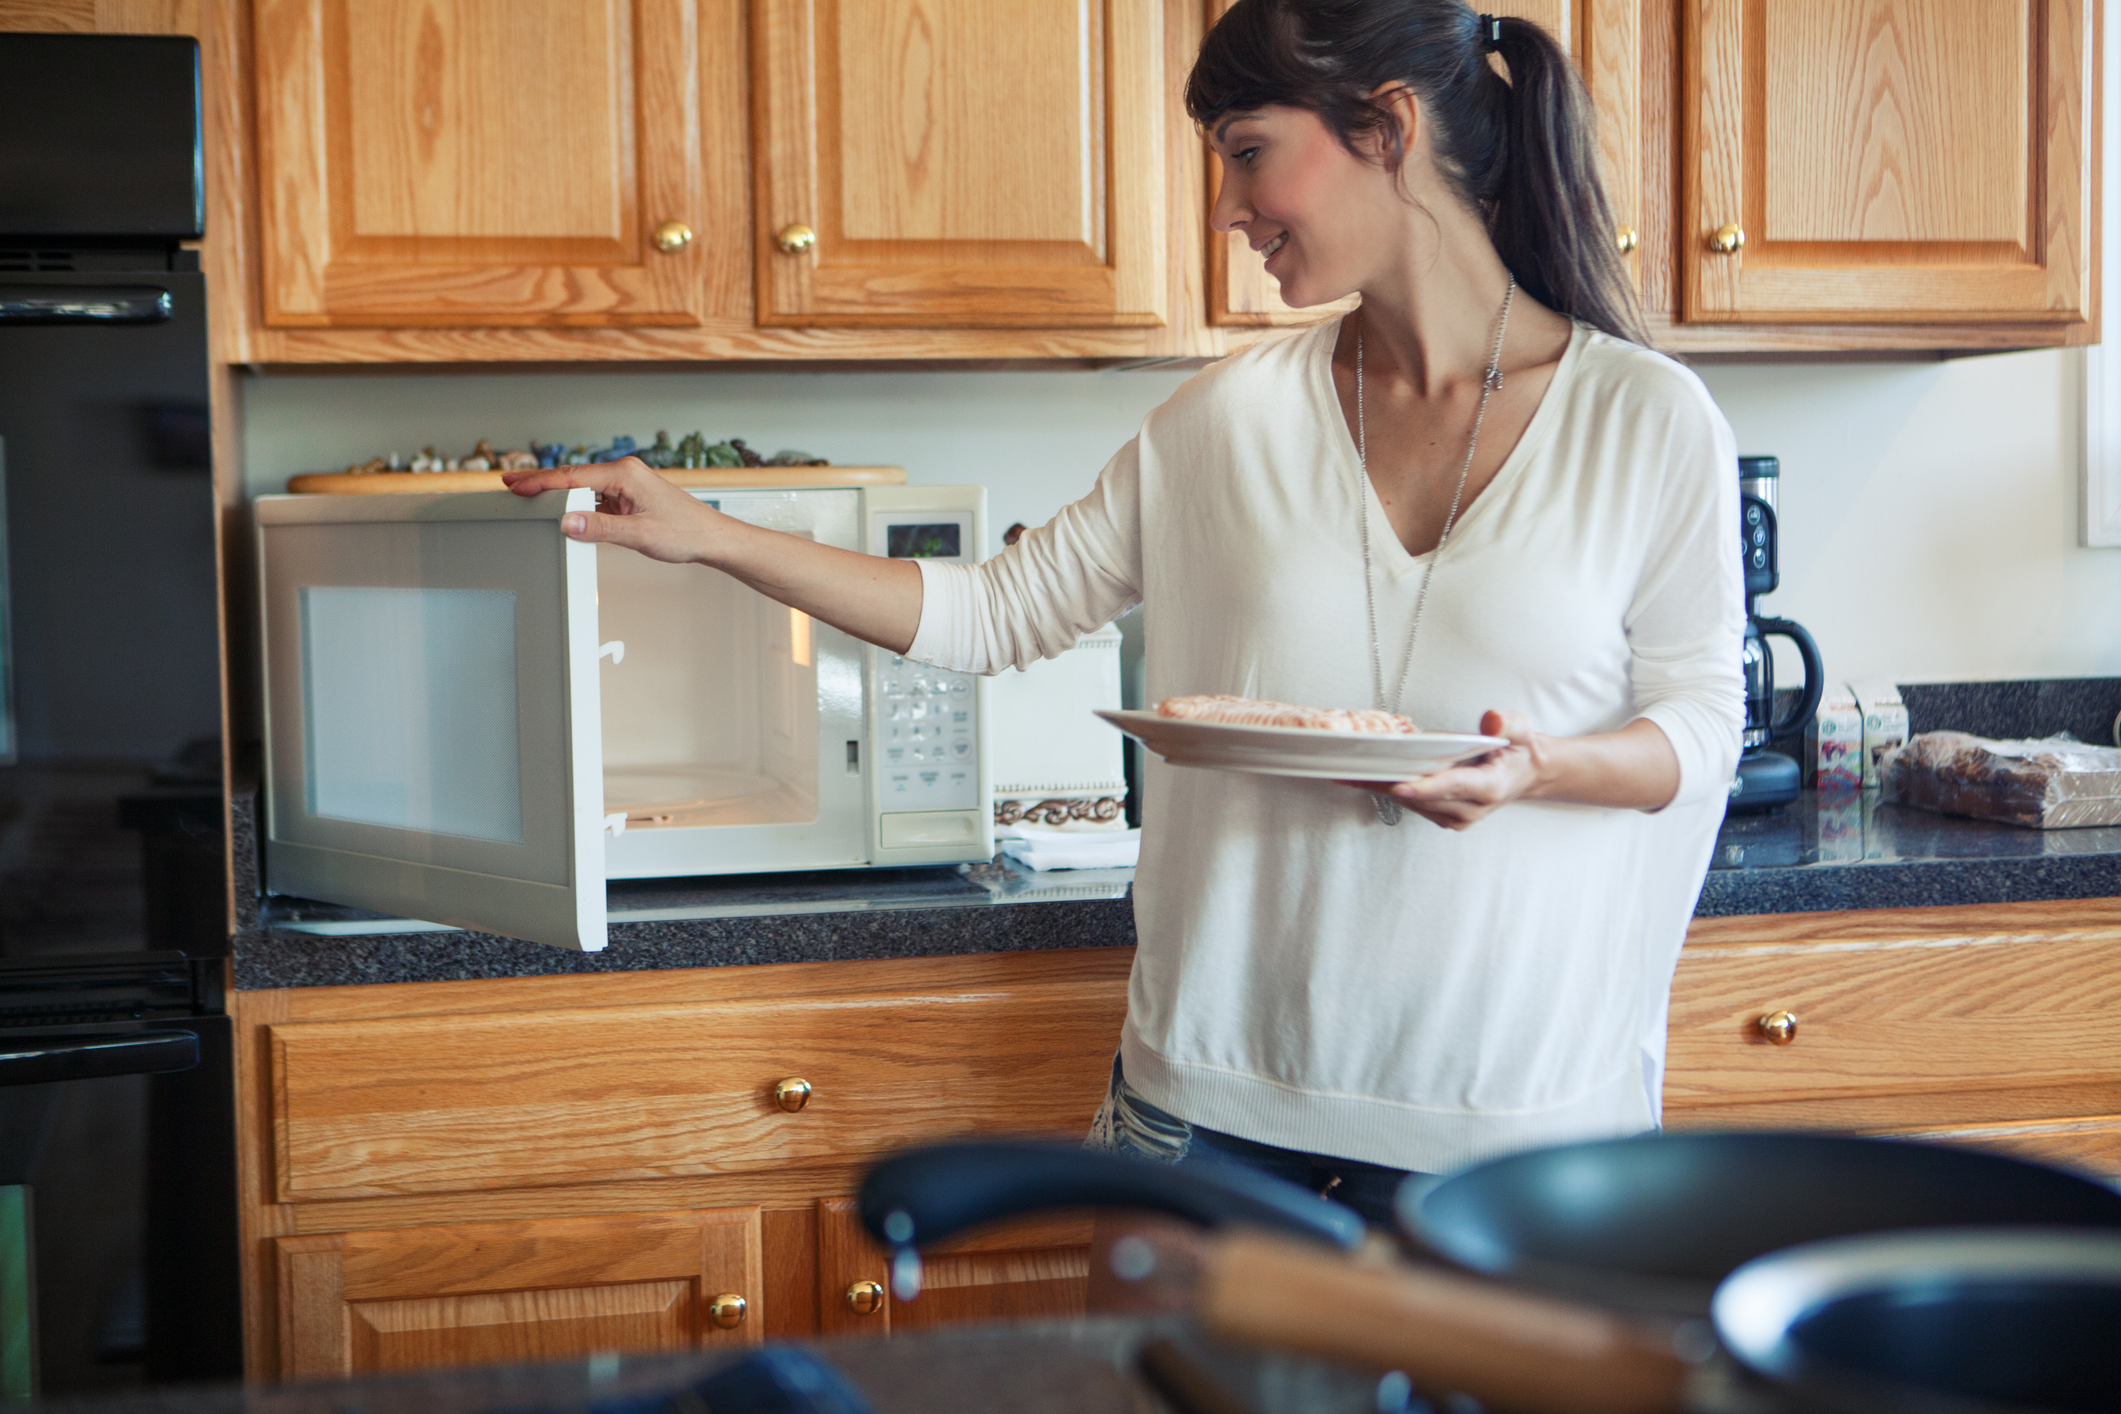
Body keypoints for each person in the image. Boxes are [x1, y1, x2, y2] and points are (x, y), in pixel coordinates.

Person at [503, 0, 1744, 1229]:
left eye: (1249, 151)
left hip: (1512, 1120)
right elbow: (997, 611)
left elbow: (1701, 729)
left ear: (1387, 127)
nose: (1226, 209)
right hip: (1213, 1109)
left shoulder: (1645, 420)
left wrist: (1542, 768)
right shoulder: (1226, 421)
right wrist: (703, 533)